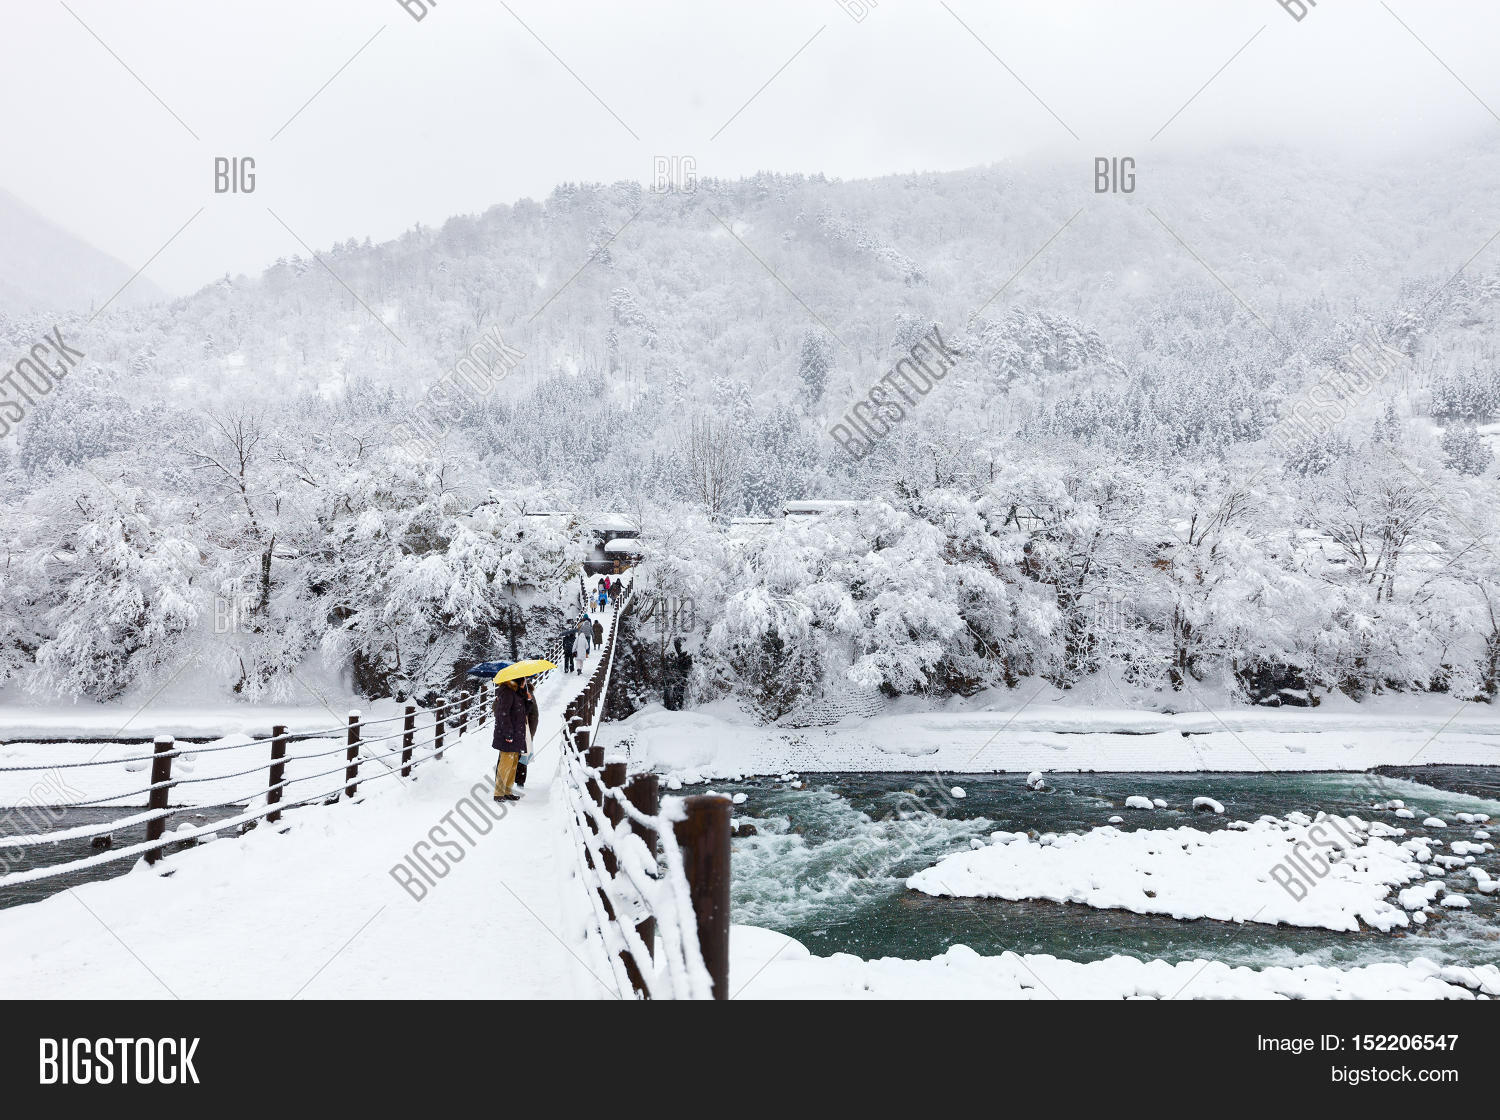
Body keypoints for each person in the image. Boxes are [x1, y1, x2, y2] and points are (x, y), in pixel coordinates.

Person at [491, 679, 528, 801]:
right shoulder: (507, 692)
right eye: (524, 679)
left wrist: (527, 697)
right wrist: (508, 734)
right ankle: (499, 793)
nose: (526, 681)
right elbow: (503, 713)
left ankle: (507, 791)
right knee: (506, 763)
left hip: (516, 734)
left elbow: (523, 712)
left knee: (513, 764)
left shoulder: (516, 692)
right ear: (518, 680)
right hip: (508, 734)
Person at [517, 679, 539, 789]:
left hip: (524, 730)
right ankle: (506, 781)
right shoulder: (508, 692)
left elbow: (534, 715)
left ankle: (520, 781)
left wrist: (531, 734)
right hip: (511, 730)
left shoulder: (528, 693)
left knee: (523, 755)